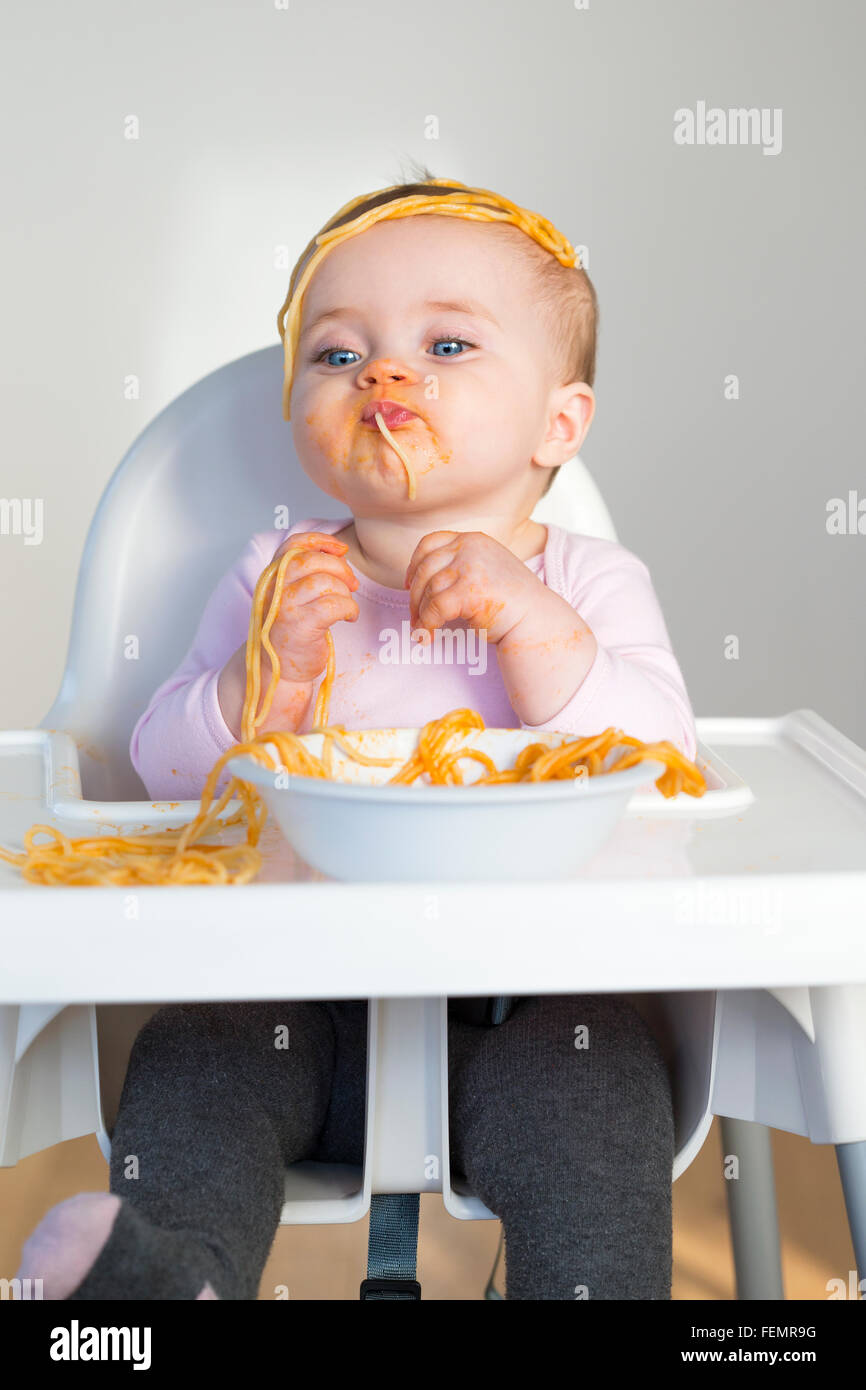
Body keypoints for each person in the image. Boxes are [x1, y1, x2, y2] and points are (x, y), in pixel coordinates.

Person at [16, 171, 695, 1300]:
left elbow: (666, 764)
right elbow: (160, 772)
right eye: (336, 355)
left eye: (445, 345)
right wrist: (256, 682)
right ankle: (158, 1280)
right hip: (288, 1002)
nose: (382, 373)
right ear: (296, 417)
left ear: (556, 421)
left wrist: (538, 631)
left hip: (532, 1014)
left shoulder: (590, 585)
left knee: (602, 1093)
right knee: (191, 1065)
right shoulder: (275, 583)